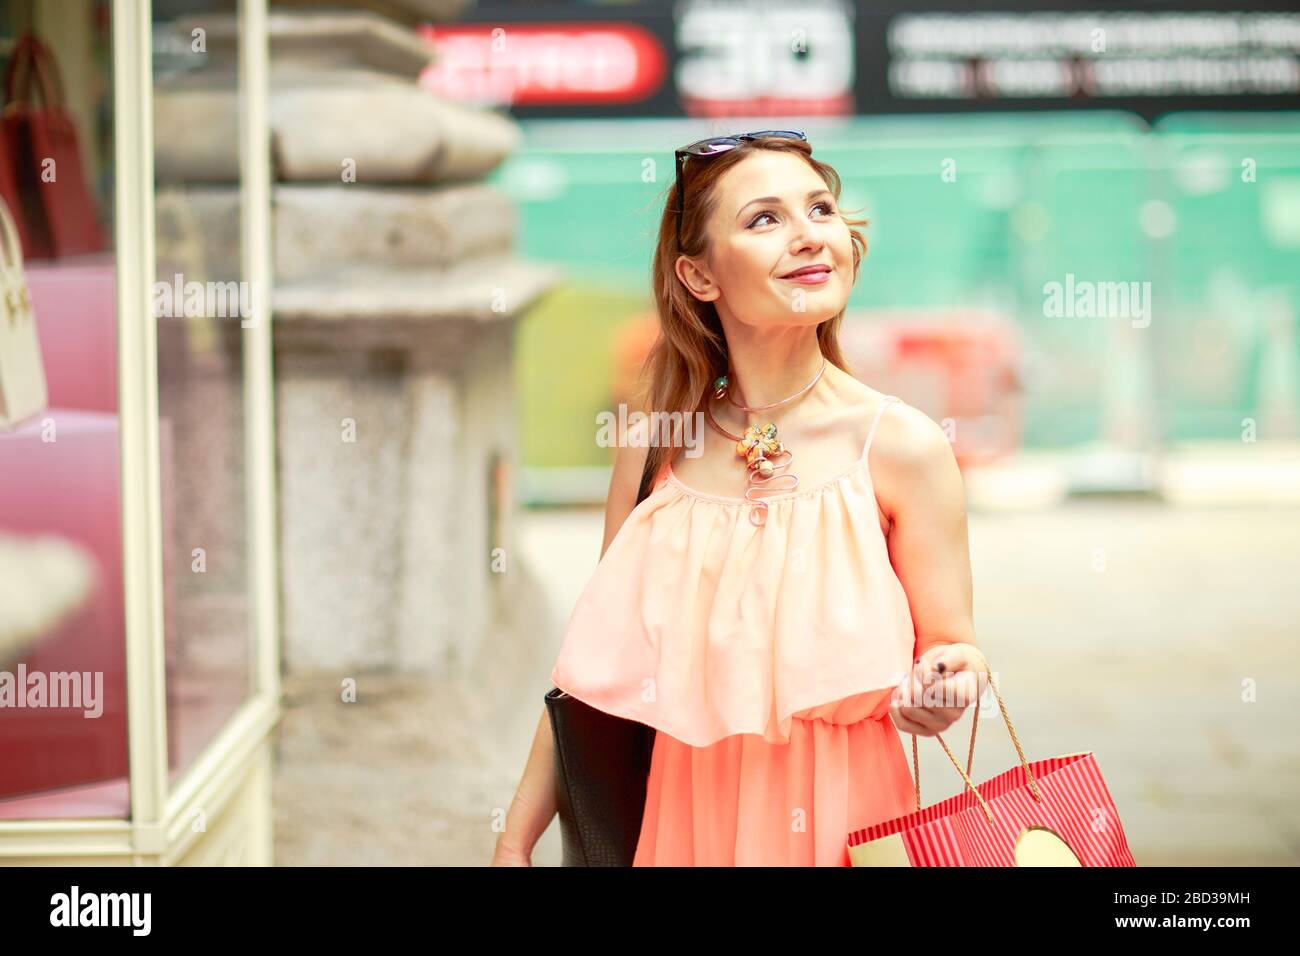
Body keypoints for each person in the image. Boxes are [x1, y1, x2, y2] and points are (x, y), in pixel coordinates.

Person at [492, 131, 987, 867]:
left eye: (820, 209)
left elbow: (953, 645)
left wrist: (944, 685)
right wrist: (512, 841)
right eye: (765, 220)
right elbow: (597, 675)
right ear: (699, 276)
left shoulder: (902, 446)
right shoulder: (657, 444)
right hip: (684, 817)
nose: (810, 236)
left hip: (848, 821)